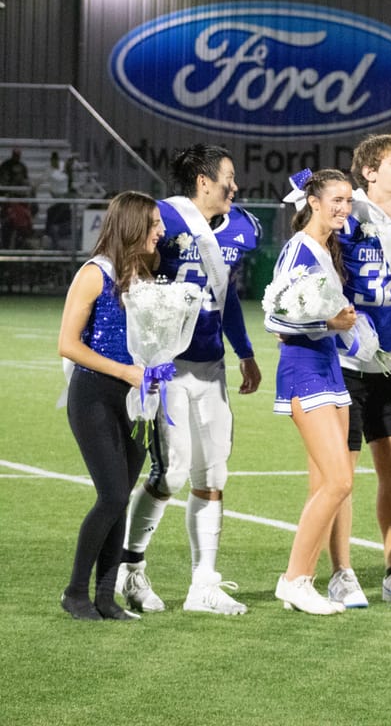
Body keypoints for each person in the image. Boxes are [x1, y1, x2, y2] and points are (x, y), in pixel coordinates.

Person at [115, 145, 261, 615]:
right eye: (228, 178)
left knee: (213, 473)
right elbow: (129, 282)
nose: (234, 188)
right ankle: (130, 568)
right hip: (169, 368)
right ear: (203, 181)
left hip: (211, 366)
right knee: (171, 472)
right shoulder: (162, 219)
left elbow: (229, 295)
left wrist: (246, 352)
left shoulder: (241, 227)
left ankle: (204, 584)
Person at [326, 134, 391, 608]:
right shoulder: (346, 213)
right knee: (340, 475)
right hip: (344, 360)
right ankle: (341, 573)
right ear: (369, 172)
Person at [58, 191, 164, 620]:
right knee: (112, 494)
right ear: (132, 226)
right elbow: (67, 345)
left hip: (138, 399)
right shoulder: (94, 273)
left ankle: (106, 596)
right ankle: (75, 592)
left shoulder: (145, 277)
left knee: (121, 498)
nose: (160, 231)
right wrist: (125, 373)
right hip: (95, 395)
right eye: (154, 224)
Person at [266, 169, 358, 615]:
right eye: (336, 200)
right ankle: (294, 580)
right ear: (314, 202)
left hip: (329, 367)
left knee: (326, 482)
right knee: (340, 479)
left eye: (348, 200)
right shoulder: (298, 249)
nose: (343, 208)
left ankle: (304, 580)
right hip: (304, 369)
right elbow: (274, 321)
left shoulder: (325, 248)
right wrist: (330, 324)